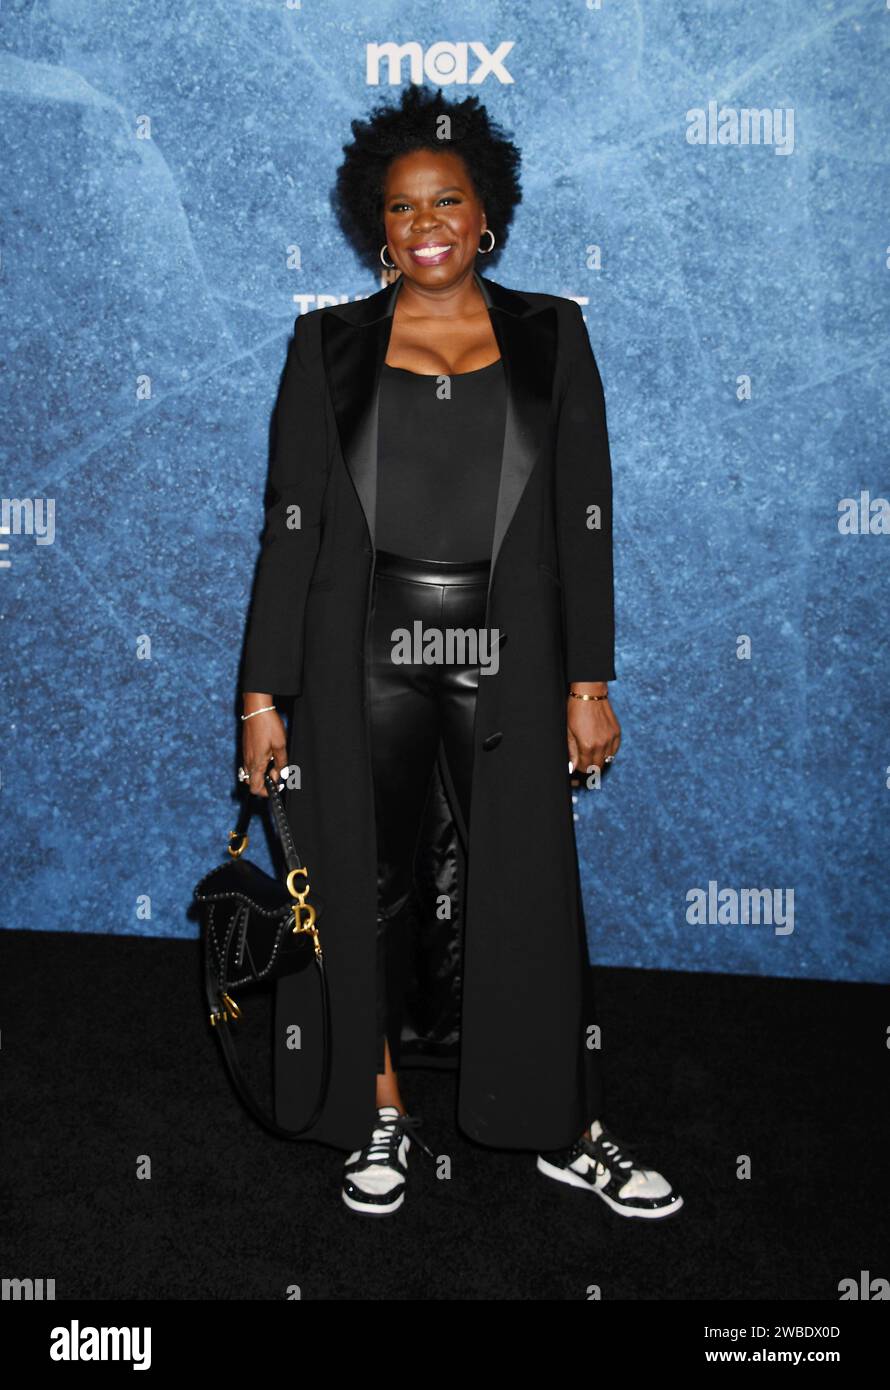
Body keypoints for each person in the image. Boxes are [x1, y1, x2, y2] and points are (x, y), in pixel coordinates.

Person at [239, 85, 682, 1220]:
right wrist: (260, 695)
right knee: (359, 887)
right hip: (360, 652)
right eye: (399, 207)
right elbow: (289, 528)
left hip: (508, 653)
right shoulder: (323, 345)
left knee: (524, 891)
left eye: (447, 200)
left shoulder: (551, 335)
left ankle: (559, 1123)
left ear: (485, 216)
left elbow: (586, 512)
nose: (424, 222)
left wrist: (589, 680)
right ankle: (377, 1107)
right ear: (373, 227)